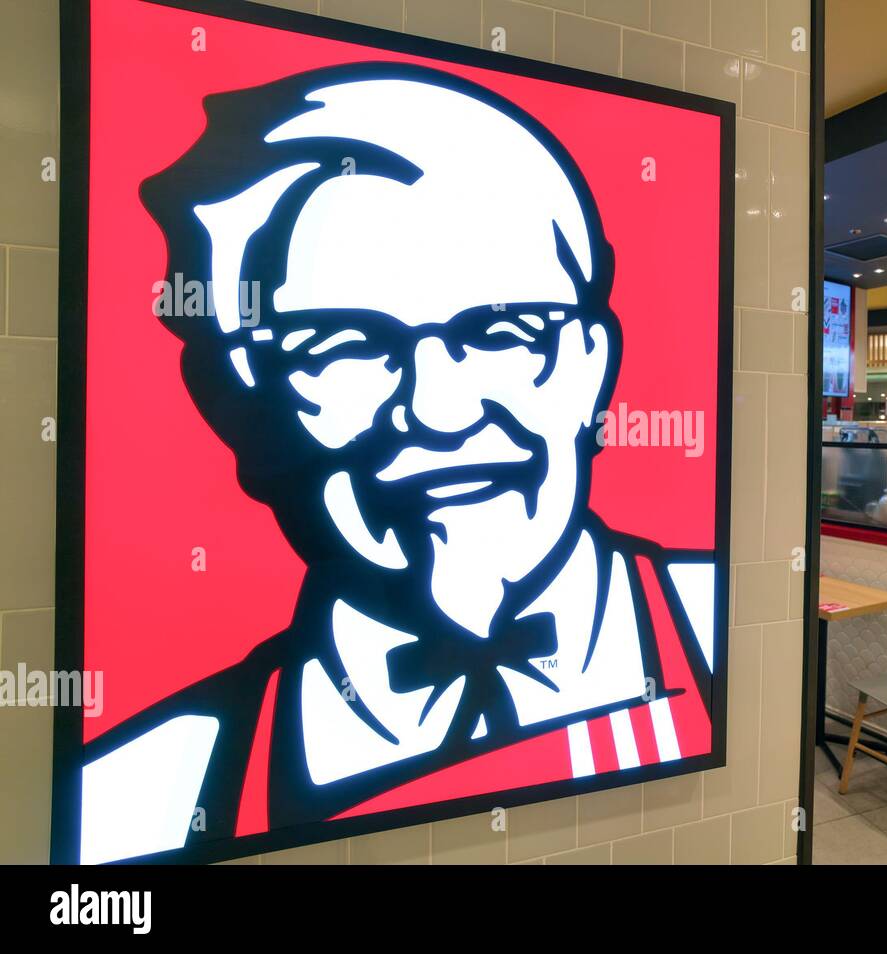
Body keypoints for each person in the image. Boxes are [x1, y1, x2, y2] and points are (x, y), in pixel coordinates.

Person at [77, 63, 717, 864]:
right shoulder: (142, 803)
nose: (440, 411)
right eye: (345, 346)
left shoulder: (724, 628)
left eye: (504, 331)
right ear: (248, 408)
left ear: (593, 364)